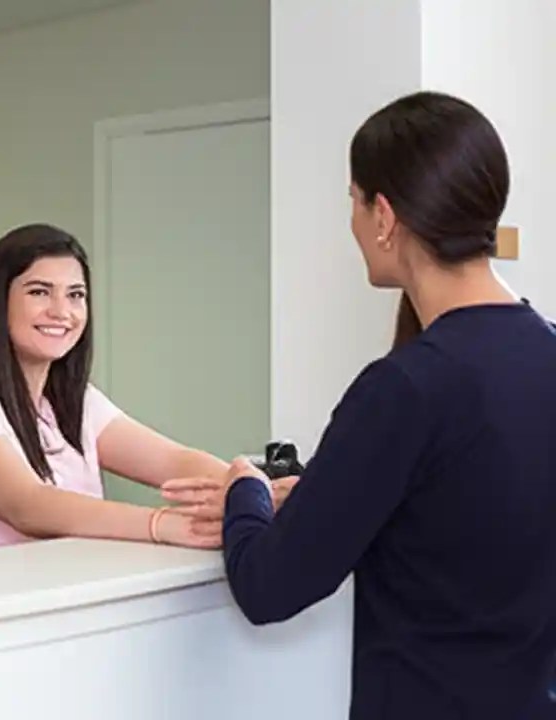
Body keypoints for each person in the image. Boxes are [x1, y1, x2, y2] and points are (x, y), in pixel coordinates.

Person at [166, 91, 556, 718]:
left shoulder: (406, 387)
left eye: (353, 199)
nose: (351, 221)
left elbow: (269, 586)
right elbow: (466, 507)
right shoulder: (543, 350)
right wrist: (322, 492)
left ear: (384, 215)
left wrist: (245, 488)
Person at [0, 223, 294, 555]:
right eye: (39, 292)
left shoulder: (72, 399)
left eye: (75, 295)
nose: (61, 311)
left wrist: (251, 488)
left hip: (76, 595)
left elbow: (172, 461)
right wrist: (159, 524)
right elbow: (27, 504)